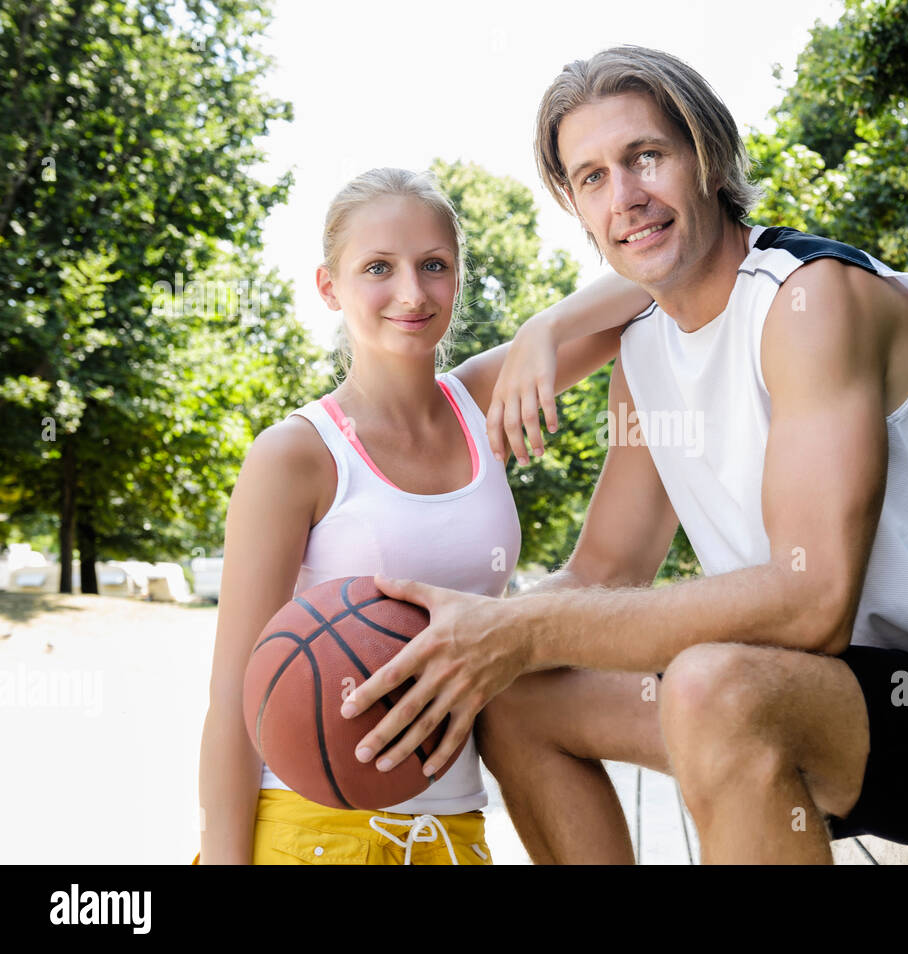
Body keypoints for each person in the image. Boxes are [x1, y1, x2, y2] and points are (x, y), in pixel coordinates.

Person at [340, 47, 908, 864]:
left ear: (706, 156)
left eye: (646, 157)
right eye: (591, 177)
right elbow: (605, 570)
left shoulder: (811, 300)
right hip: (810, 701)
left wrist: (522, 625)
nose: (625, 196)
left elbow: (813, 604)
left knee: (713, 684)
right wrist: (459, 638)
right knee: (516, 698)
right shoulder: (644, 346)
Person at [194, 166, 645, 864]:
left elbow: (650, 287)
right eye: (379, 267)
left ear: (458, 278)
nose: (411, 292)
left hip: (453, 832)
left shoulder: (482, 401)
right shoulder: (295, 455)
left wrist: (547, 325)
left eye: (434, 265)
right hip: (311, 833)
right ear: (329, 287)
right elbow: (231, 703)